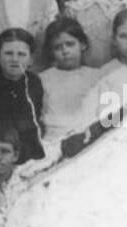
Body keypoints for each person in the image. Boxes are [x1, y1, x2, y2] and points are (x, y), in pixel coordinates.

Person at [66, 9, 127, 142]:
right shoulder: (104, 73)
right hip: (108, 137)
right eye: (123, 36)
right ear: (114, 39)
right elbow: (91, 113)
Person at [36, 18, 103, 159]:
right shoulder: (42, 79)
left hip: (87, 141)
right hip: (53, 142)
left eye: (70, 44)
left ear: (83, 45)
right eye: (58, 47)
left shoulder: (97, 76)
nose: (65, 51)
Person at [0, 29, 45, 164]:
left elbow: (35, 118)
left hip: (29, 147)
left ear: (31, 59)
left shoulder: (33, 82)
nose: (15, 59)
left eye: (21, 54)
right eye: (8, 53)